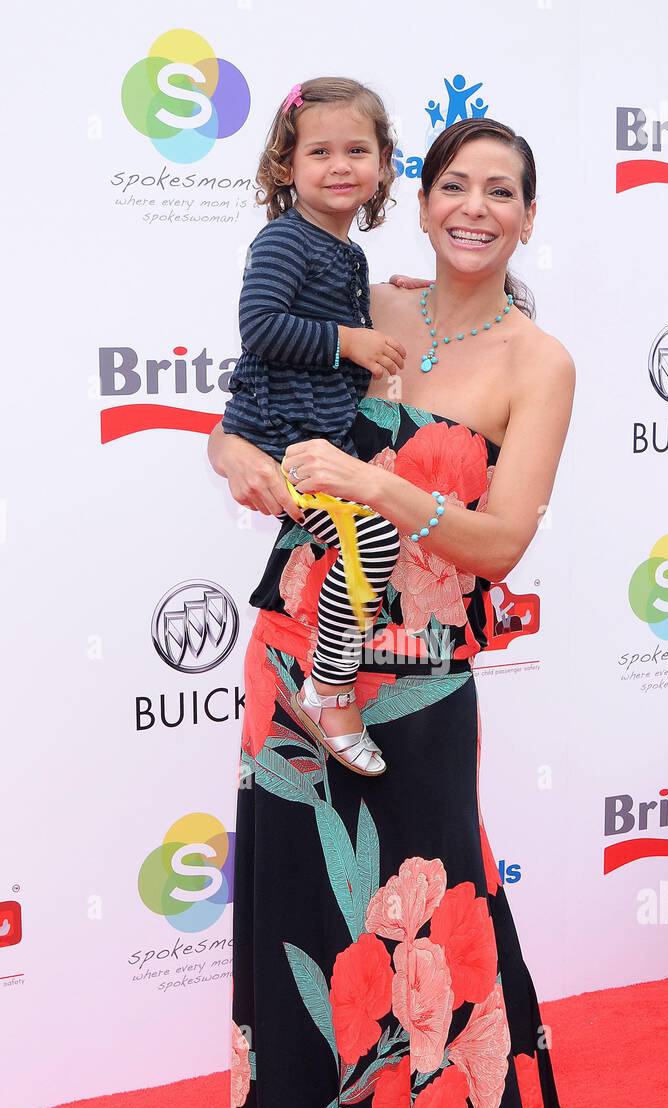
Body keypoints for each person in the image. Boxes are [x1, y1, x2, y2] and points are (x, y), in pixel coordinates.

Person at [212, 115, 581, 1108]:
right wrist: (235, 459)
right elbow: (244, 409)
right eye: (455, 185)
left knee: (432, 918)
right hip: (293, 648)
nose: (475, 207)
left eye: (502, 192)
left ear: (528, 216)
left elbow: (502, 541)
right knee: (305, 907)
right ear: (419, 202)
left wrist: (385, 495)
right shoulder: (371, 308)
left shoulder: (538, 363)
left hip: (415, 680)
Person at [222, 76, 410, 776]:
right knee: (374, 533)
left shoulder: (346, 253)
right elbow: (262, 325)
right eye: (320, 151)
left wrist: (393, 299)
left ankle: (328, 674)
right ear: (286, 167)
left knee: (374, 536)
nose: (340, 166)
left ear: (384, 164)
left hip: (309, 440)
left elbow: (339, 308)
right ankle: (330, 684)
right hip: (279, 439)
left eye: (357, 150)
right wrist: (347, 341)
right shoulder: (283, 240)